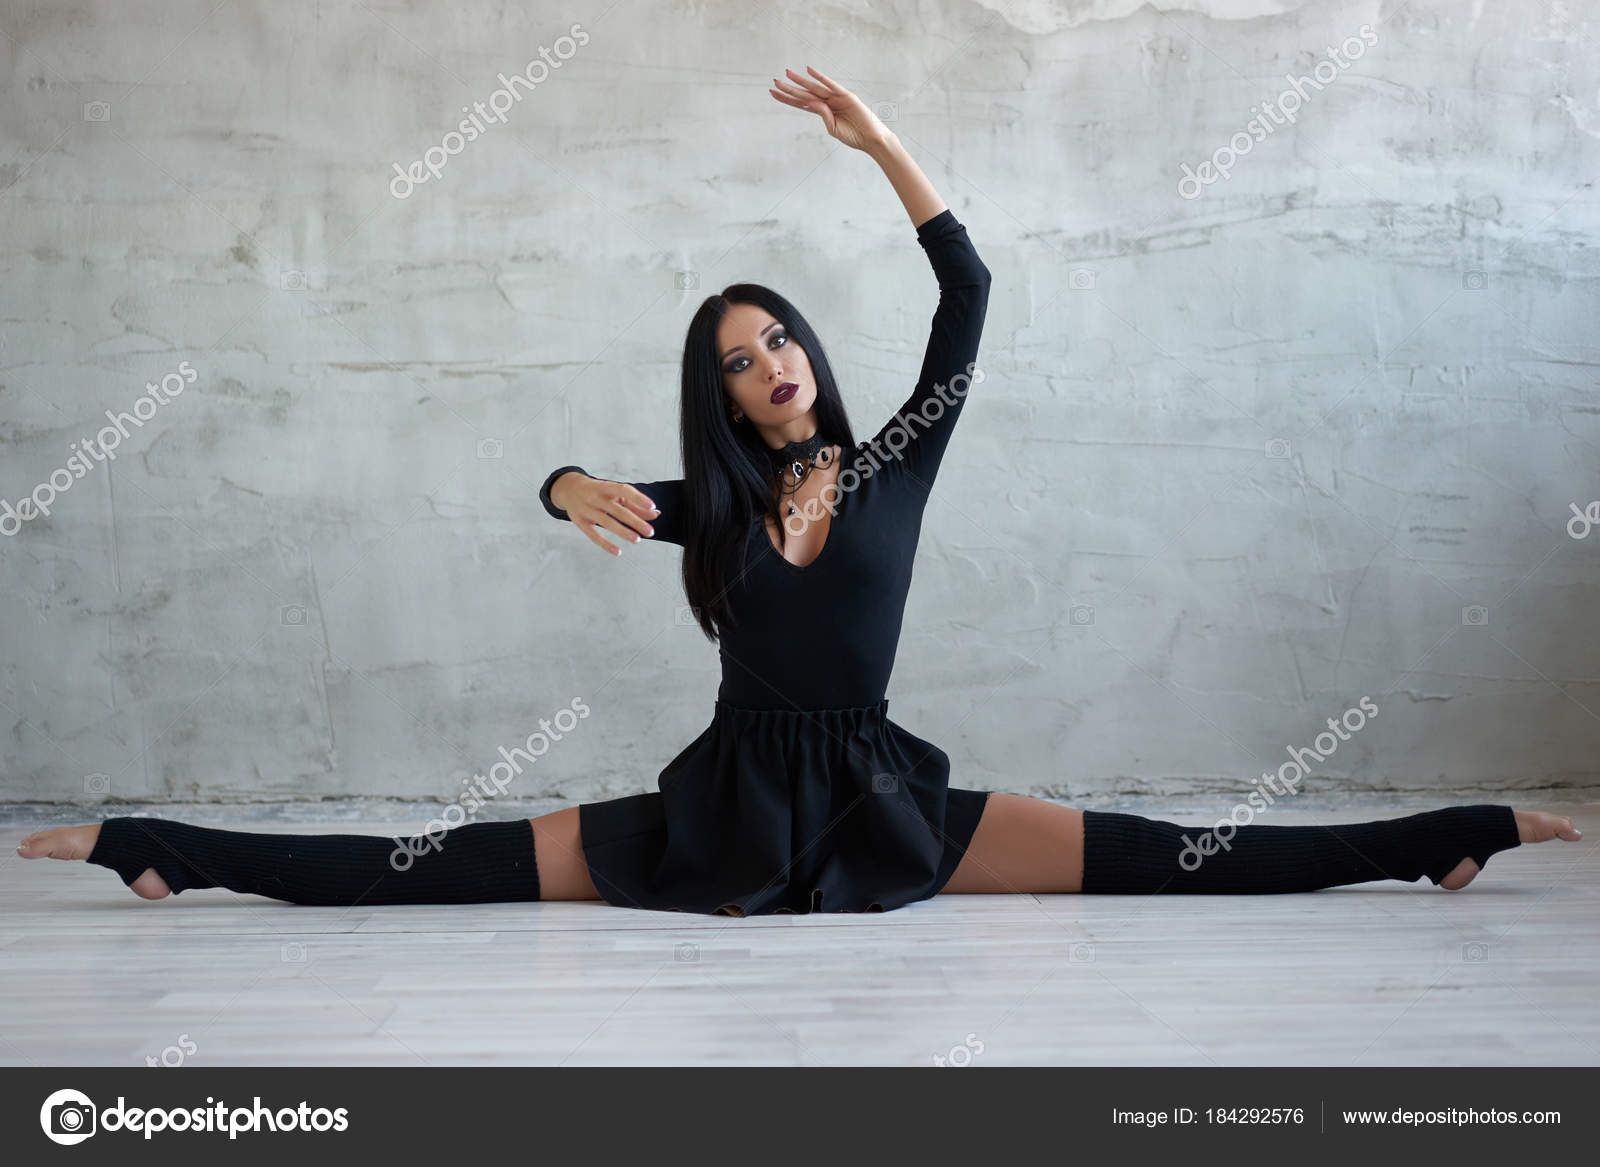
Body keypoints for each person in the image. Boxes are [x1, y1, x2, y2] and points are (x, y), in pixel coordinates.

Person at [17, 67, 1580, 913]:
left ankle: (1443, 833)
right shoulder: (708, 501)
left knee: (1183, 854)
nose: (769, 363)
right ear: (717, 398)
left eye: (780, 341)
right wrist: (564, 481)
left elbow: (967, 287)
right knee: (441, 864)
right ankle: (165, 842)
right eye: (737, 357)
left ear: (811, 357)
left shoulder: (895, 458)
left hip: (884, 797)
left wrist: (879, 141)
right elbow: (562, 486)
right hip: (724, 802)